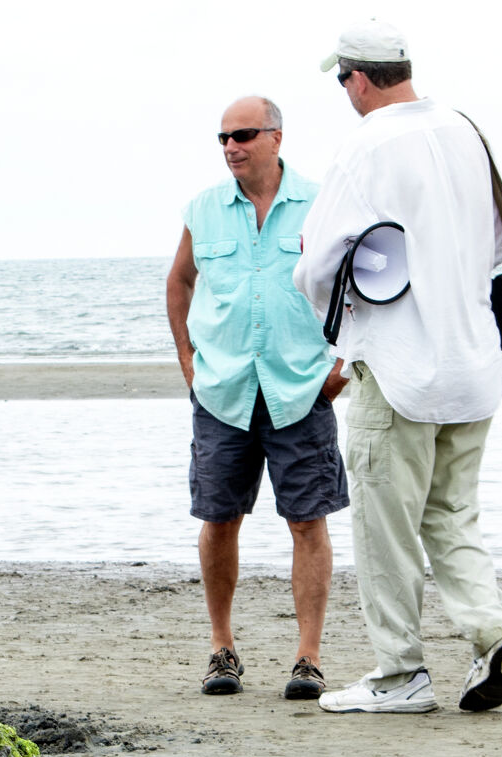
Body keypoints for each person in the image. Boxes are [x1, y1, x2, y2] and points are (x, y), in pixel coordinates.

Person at [295, 20, 502, 715]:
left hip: (399, 369)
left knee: (385, 526)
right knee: (453, 515)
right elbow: (496, 243)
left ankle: (400, 672)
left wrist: (344, 331)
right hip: (473, 361)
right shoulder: (466, 131)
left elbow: (315, 265)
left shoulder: (364, 146)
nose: (344, 92)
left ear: (359, 79)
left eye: (343, 81)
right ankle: (494, 632)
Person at [166, 96, 349, 700]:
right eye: (222, 138)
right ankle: (222, 648)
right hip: (223, 391)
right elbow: (180, 282)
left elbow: (362, 285)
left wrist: (344, 364)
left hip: (300, 386)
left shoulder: (322, 204)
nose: (230, 147)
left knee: (307, 521)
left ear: (275, 136)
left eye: (242, 135)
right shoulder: (203, 209)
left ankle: (309, 657)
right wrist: (189, 362)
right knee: (218, 521)